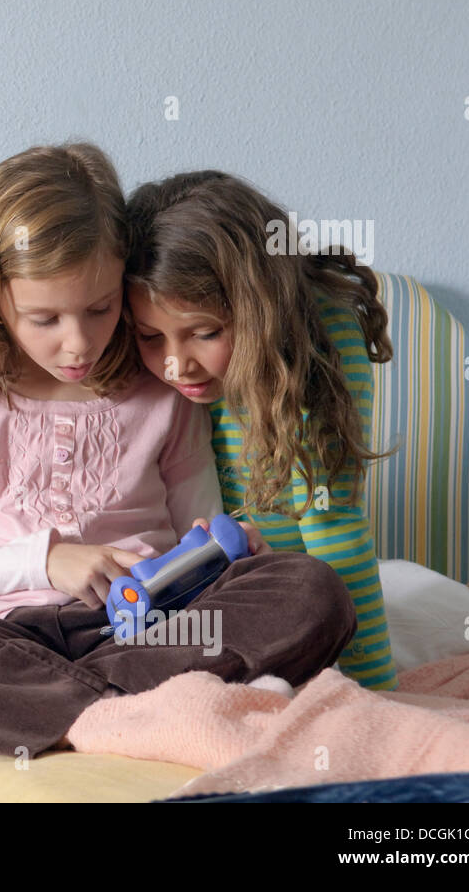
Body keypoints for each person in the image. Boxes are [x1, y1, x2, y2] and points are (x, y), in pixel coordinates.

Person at [0, 143, 358, 767]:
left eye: (100, 309)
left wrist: (218, 550)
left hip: (150, 628)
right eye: (45, 318)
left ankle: (23, 717)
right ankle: (130, 713)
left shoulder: (161, 381)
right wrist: (46, 562)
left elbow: (198, 528)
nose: (79, 343)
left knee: (312, 592)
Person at [123, 170, 400, 690]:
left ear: (259, 312)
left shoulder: (321, 336)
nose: (176, 364)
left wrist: (376, 691)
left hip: (304, 586)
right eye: (150, 336)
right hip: (218, 580)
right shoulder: (149, 360)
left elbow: (331, 524)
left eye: (204, 333)